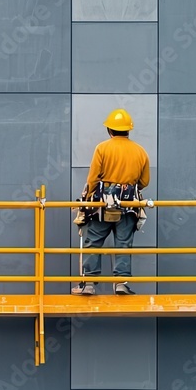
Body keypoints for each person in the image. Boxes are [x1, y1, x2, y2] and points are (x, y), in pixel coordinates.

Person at [72, 108, 150, 296]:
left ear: (109, 130)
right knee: (123, 243)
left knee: (94, 240)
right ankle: (121, 283)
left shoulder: (102, 148)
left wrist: (87, 200)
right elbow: (144, 182)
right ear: (128, 130)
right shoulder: (140, 151)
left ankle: (88, 283)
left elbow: (93, 179)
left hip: (103, 202)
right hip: (129, 204)